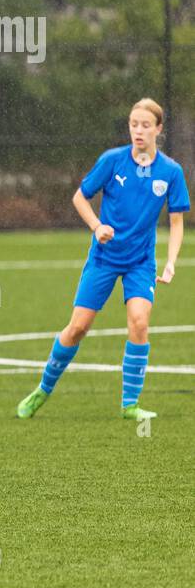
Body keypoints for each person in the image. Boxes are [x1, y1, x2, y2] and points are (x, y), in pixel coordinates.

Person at [18, 98, 187, 421]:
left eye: (145, 125)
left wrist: (171, 260)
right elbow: (80, 197)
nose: (138, 131)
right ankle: (43, 389)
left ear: (159, 129)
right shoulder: (112, 161)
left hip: (141, 263)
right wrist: (97, 226)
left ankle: (130, 405)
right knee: (78, 328)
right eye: (133, 124)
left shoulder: (171, 171)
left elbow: (176, 222)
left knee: (139, 322)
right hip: (104, 258)